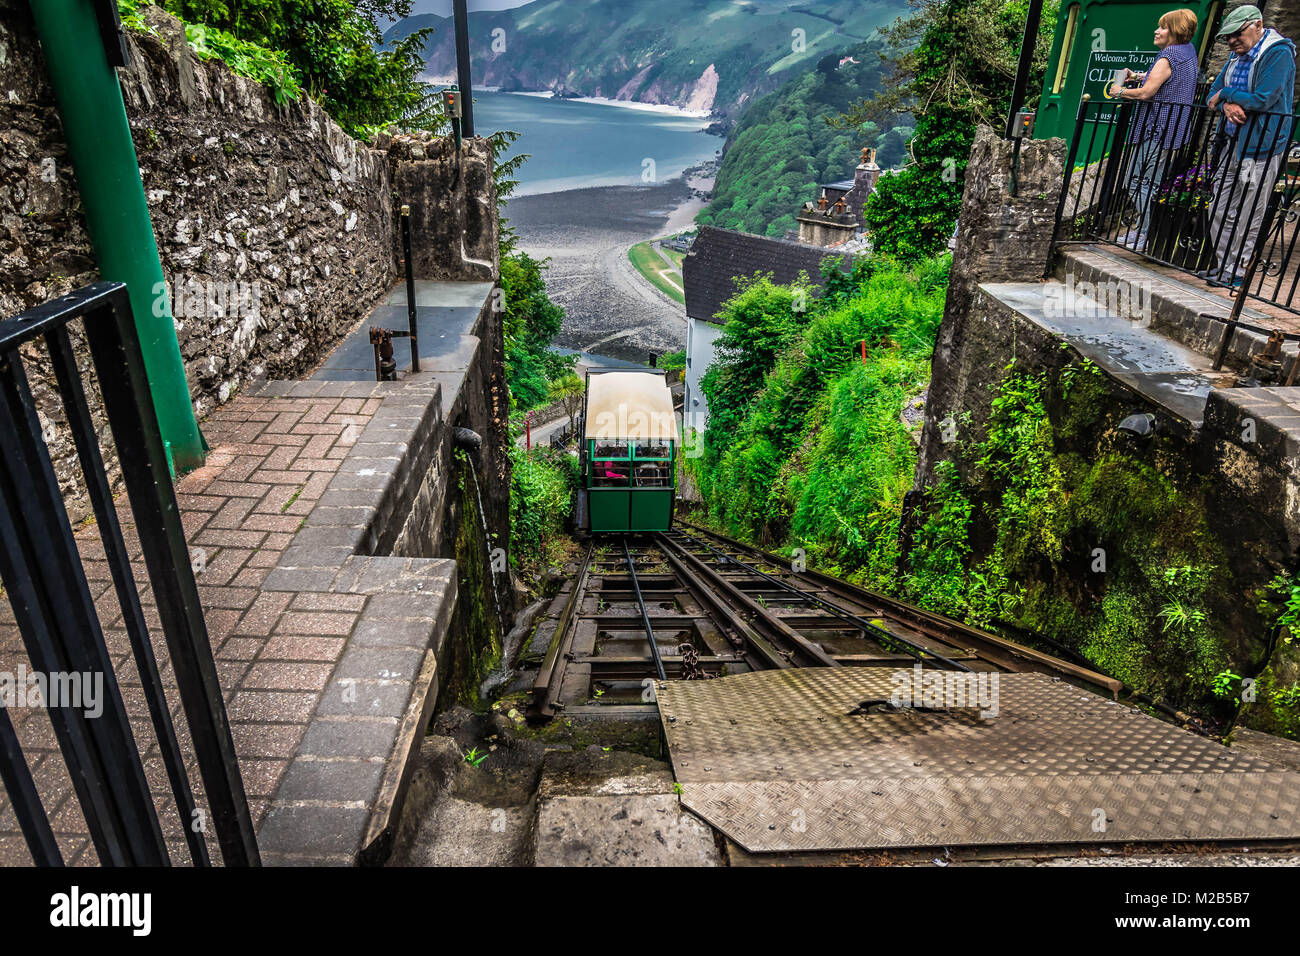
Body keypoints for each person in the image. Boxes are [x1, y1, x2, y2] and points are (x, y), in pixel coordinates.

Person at [1203, 5, 1296, 287]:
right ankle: (1223, 265)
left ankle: (1238, 270)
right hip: (1232, 143)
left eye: (1236, 34)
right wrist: (1227, 103)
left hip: (1261, 147)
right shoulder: (1235, 55)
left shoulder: (1278, 54)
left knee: (1249, 209)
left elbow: (1263, 99)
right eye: (1227, 37)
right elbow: (1211, 96)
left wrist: (1228, 94)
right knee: (1218, 204)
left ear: (1257, 24)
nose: (1231, 41)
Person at [1108, 9, 1200, 249]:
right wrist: (1138, 75)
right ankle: (1144, 230)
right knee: (1152, 182)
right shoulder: (1187, 52)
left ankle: (1146, 234)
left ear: (1176, 30)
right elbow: (1166, 79)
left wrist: (1120, 92)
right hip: (1173, 128)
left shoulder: (1168, 54)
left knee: (1136, 180)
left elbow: (1147, 93)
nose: (1157, 31)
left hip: (1156, 128)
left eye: (1163, 27)